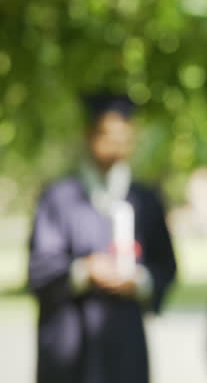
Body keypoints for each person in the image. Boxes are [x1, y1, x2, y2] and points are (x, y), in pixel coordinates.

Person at [27, 93, 177, 383]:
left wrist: (140, 280)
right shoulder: (59, 198)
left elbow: (166, 266)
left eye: (125, 137)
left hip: (125, 339)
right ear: (89, 136)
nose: (117, 146)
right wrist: (84, 271)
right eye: (109, 135)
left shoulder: (144, 199)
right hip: (70, 339)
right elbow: (39, 268)